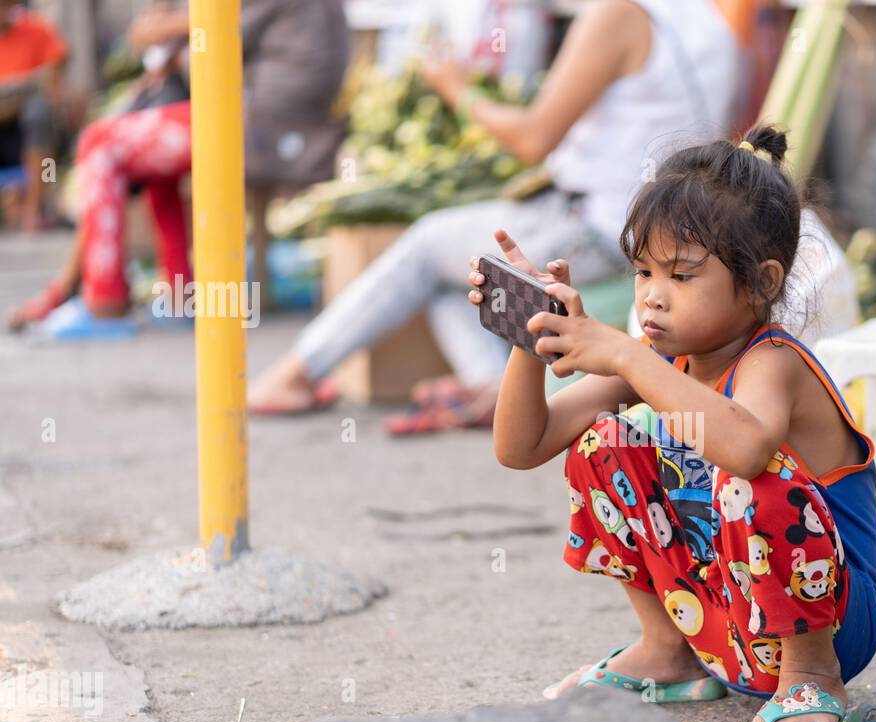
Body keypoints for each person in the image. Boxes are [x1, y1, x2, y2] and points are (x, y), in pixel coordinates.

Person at [471, 125, 876, 722]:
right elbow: (523, 446)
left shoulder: (772, 362)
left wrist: (624, 358)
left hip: (833, 624)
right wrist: (532, 339)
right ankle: (668, 651)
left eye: (681, 275)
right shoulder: (664, 364)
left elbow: (746, 451)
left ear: (763, 281)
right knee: (601, 442)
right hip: (724, 622)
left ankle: (812, 680)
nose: (651, 296)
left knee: (749, 472)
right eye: (642, 271)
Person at [248, 0, 744, 426]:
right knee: (458, 275)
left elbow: (532, 137)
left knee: (426, 244)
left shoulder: (619, 14)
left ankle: (296, 373)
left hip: (600, 228)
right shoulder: (711, 22)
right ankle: (493, 390)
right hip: (667, 232)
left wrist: (454, 87)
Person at [7, 0, 349, 336]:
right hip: (275, 122)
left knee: (100, 141)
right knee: (152, 161)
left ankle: (104, 299)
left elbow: (214, 28)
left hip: (260, 126)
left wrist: (162, 30)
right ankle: (178, 293)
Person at [0, 0, 69, 232]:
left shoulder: (36, 29)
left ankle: (37, 206)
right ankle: (14, 200)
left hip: (39, 139)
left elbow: (55, 73)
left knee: (41, 116)